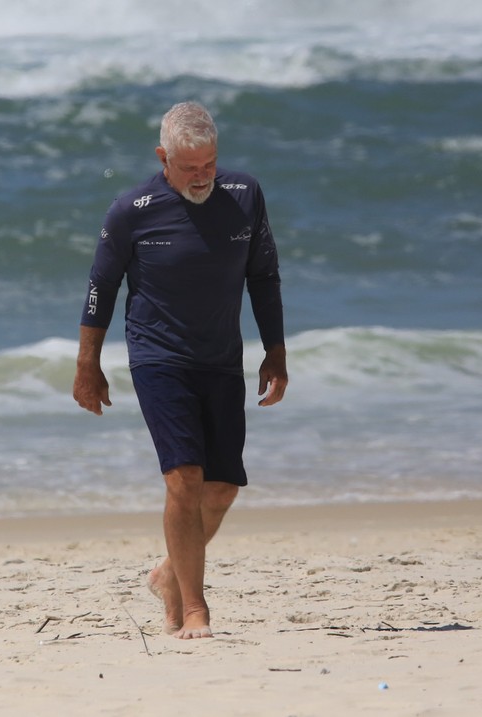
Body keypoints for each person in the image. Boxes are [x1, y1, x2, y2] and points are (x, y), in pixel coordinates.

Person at [72, 101, 288, 639]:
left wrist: (276, 351)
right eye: (190, 167)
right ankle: (194, 609)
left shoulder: (244, 196)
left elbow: (264, 276)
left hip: (220, 359)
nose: (202, 176)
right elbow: (101, 288)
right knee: (184, 479)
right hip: (157, 357)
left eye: (209, 164)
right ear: (162, 157)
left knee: (222, 488)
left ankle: (170, 574)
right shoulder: (132, 209)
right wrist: (87, 365)